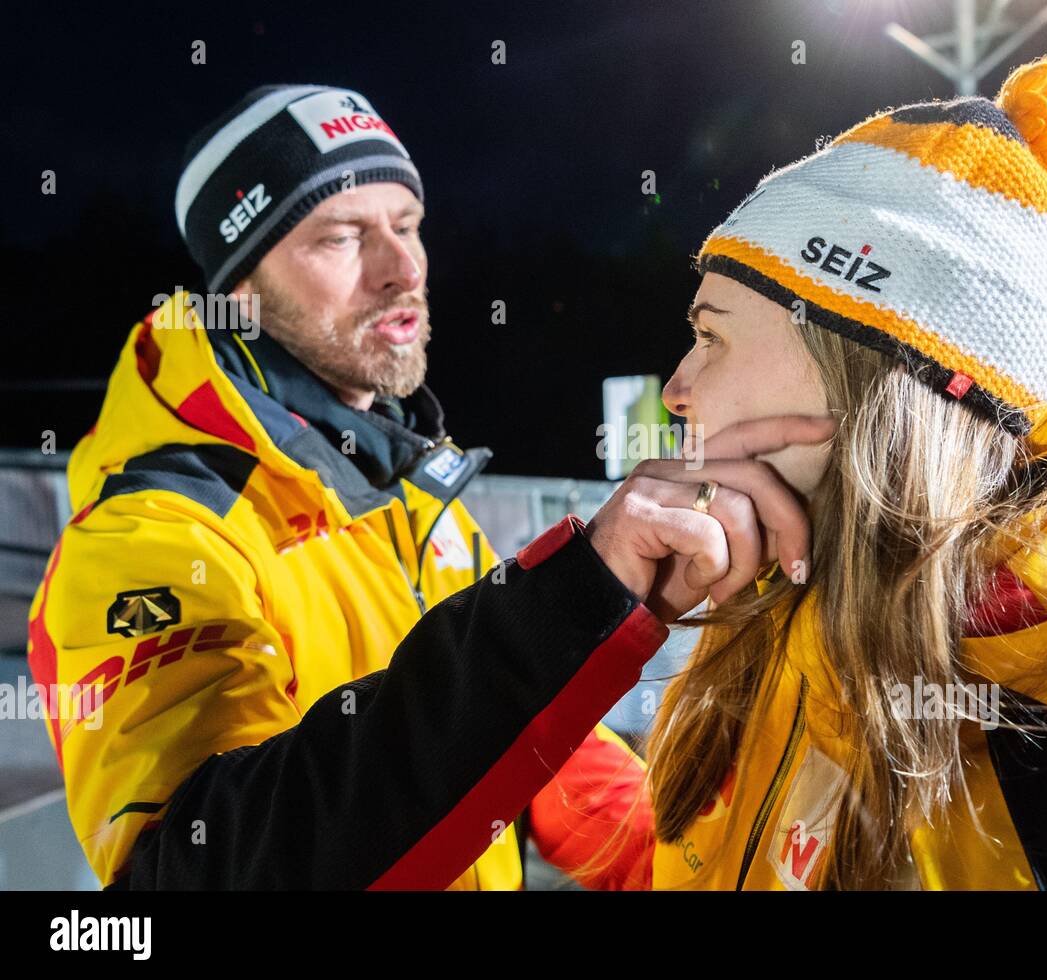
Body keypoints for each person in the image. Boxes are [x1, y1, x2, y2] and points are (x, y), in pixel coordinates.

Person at [25, 80, 836, 889]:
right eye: (342, 237)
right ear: (242, 293)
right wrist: (576, 594)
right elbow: (199, 873)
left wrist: (726, 868)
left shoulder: (410, 495)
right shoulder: (150, 537)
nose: (403, 266)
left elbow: (552, 763)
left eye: (407, 225)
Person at [530, 57, 1047, 890]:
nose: (678, 389)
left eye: (711, 335)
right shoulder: (789, 621)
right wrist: (532, 705)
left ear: (860, 374)